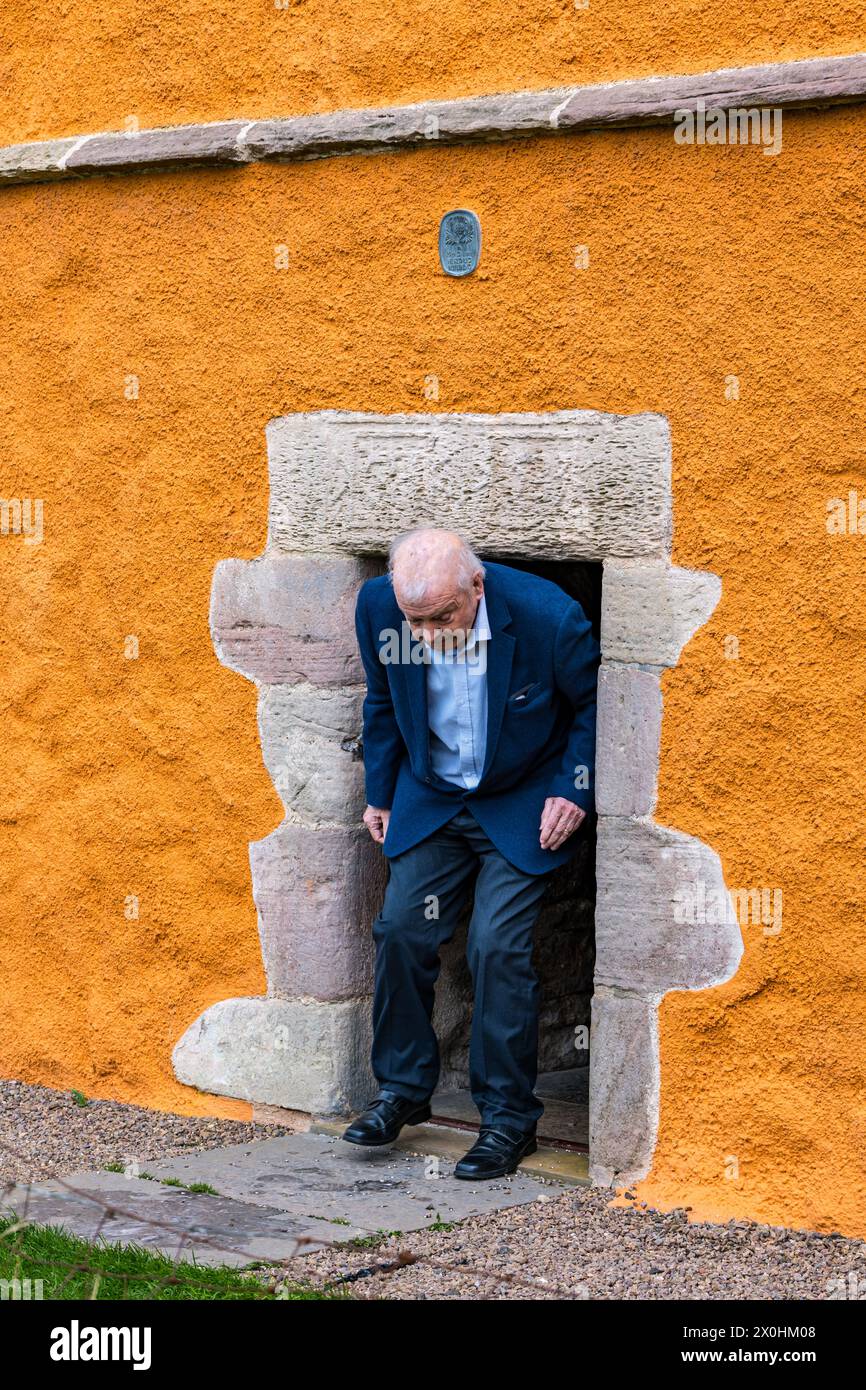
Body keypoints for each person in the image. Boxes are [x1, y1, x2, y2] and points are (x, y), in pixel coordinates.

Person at [341, 527, 600, 1178]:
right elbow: (381, 700)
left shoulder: (547, 616)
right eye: (415, 620)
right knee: (400, 929)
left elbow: (597, 704)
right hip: (431, 796)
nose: (426, 634)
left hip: (519, 801)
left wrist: (574, 790)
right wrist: (381, 793)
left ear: (477, 586)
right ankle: (402, 1090)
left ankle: (509, 1122)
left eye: (442, 617)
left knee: (496, 947)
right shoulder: (379, 607)